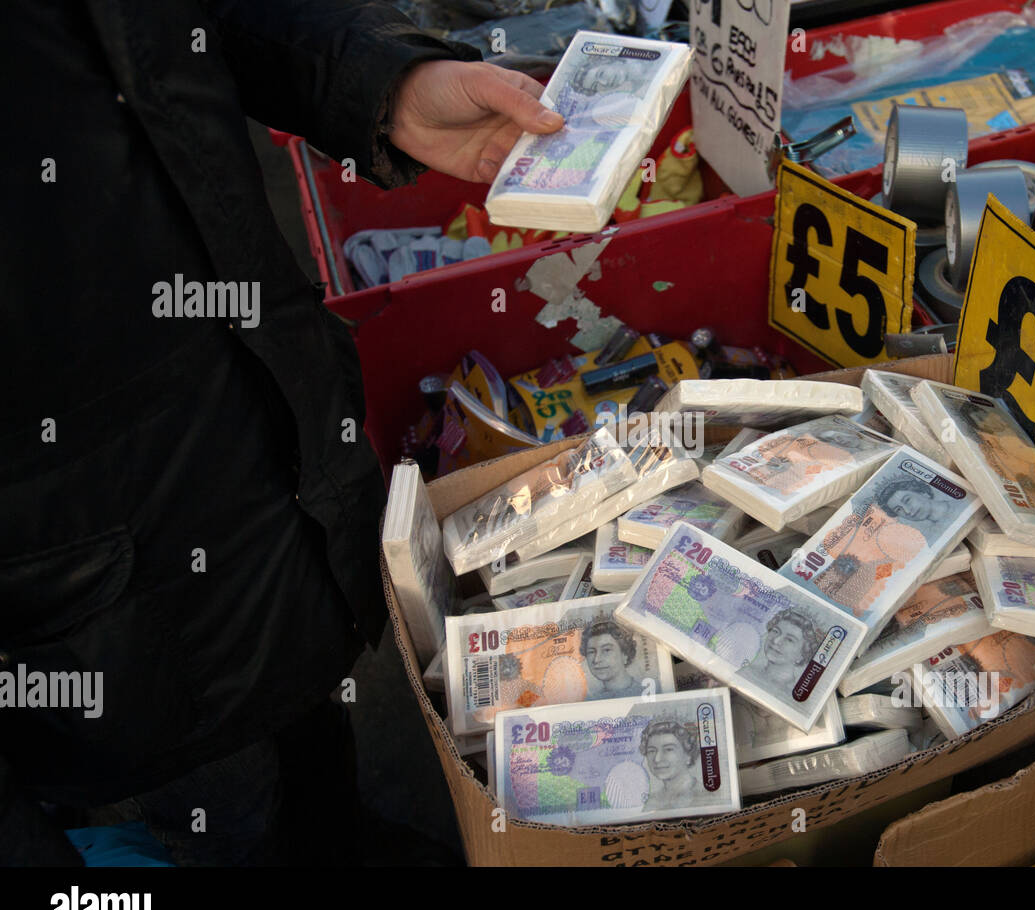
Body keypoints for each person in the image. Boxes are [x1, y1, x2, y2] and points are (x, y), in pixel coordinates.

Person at [1, 0, 562, 866]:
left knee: (313, 761)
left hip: (258, 441)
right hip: (76, 584)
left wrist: (383, 82)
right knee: (223, 817)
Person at [639, 719, 704, 811]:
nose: (657, 759)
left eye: (668, 749)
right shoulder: (650, 802)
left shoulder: (706, 796)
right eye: (651, 751)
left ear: (688, 755)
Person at [581, 621, 641, 700]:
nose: (596, 659)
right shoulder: (593, 699)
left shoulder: (643, 692)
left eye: (606, 650)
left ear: (625, 654)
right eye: (591, 652)